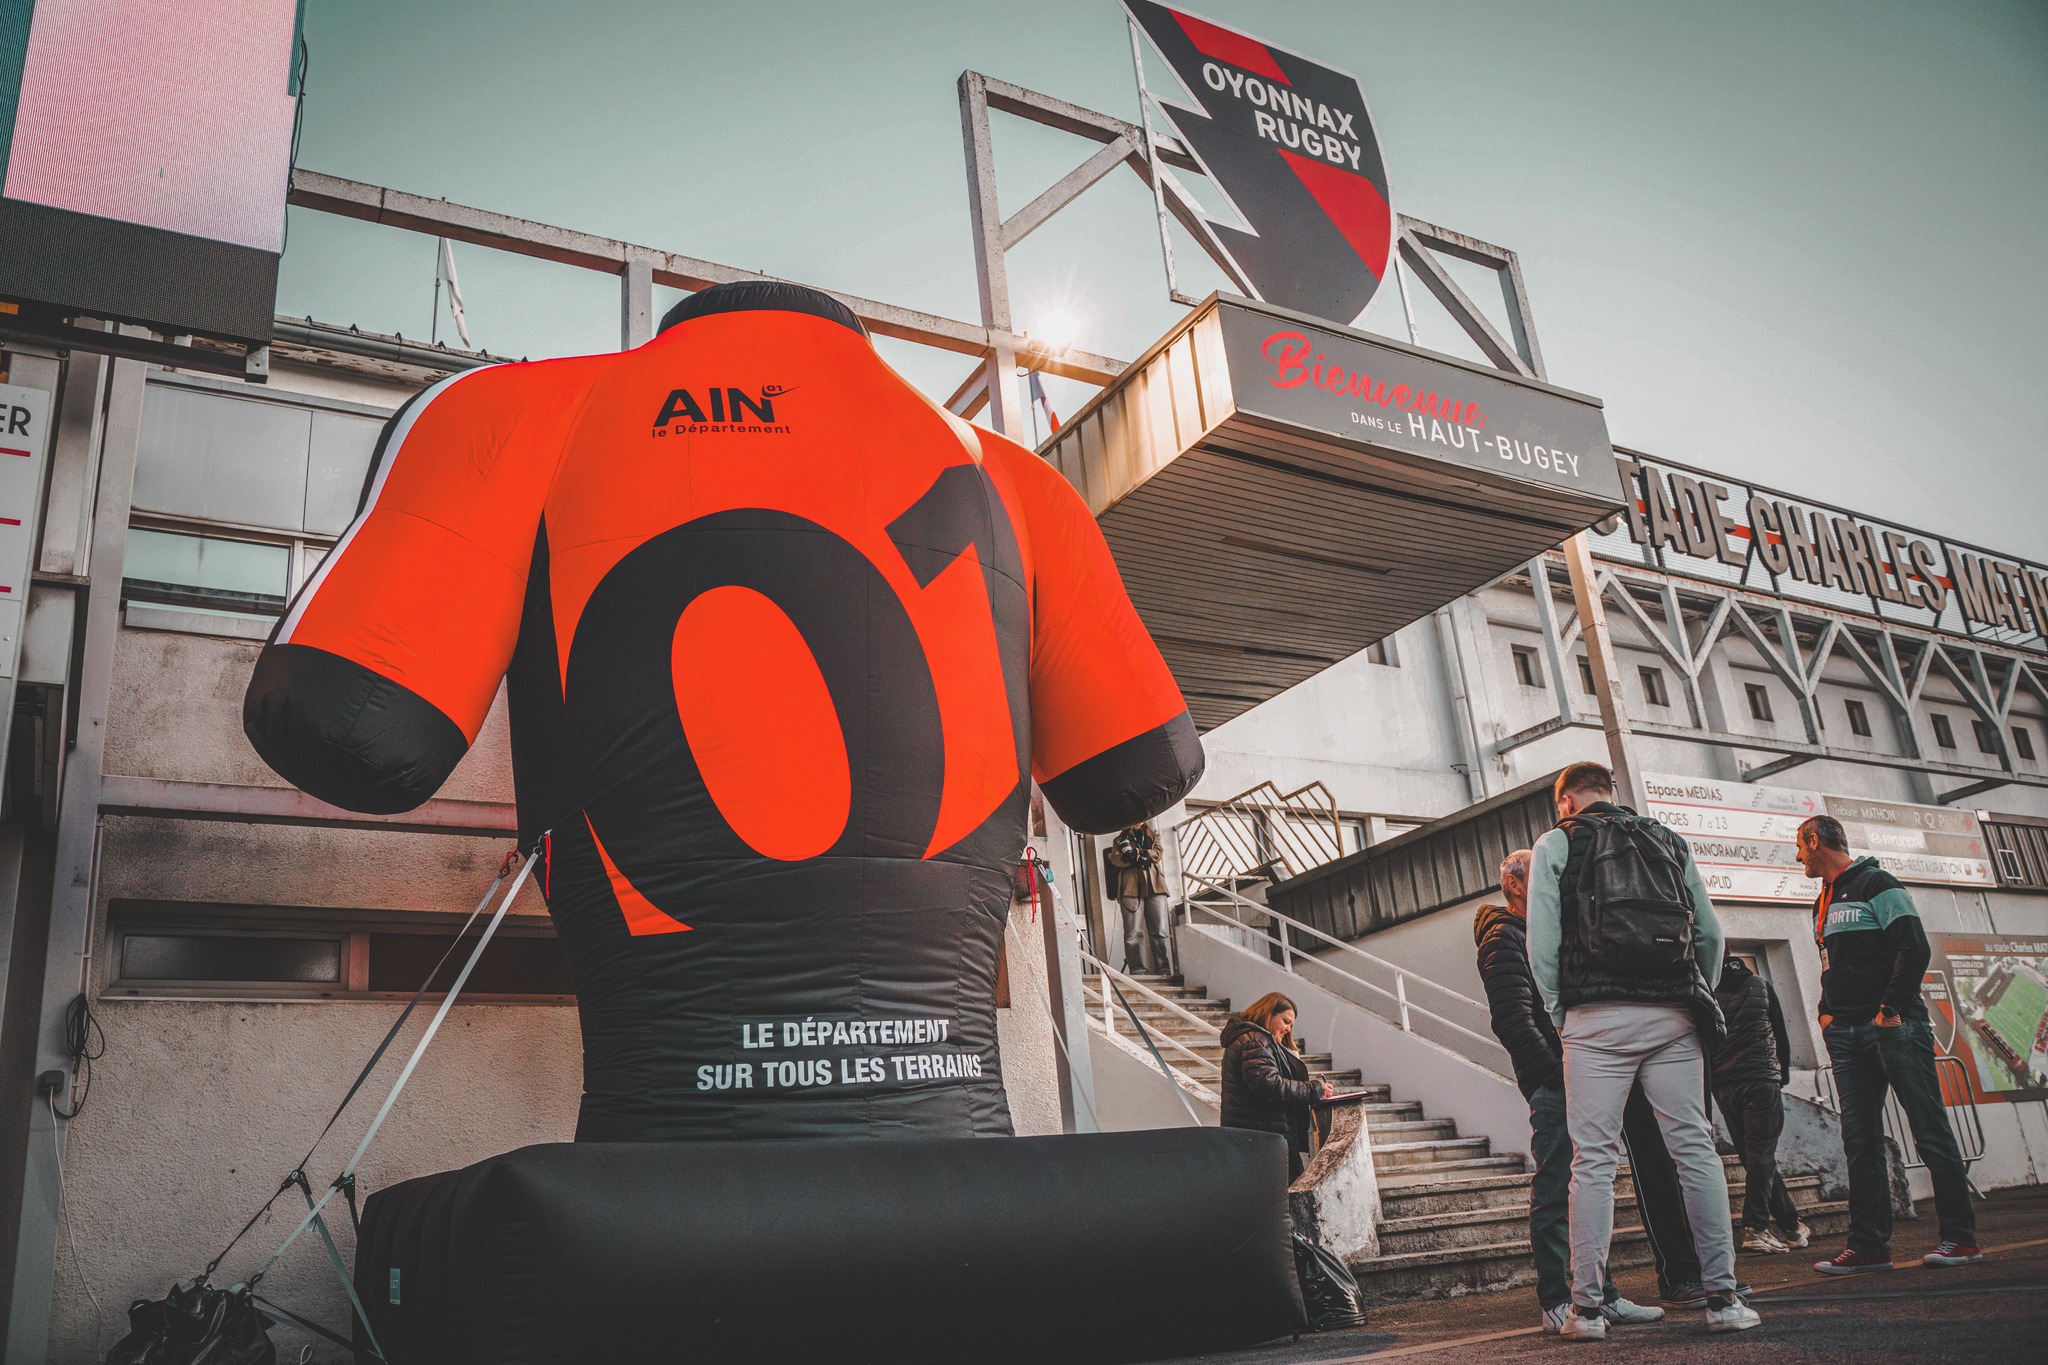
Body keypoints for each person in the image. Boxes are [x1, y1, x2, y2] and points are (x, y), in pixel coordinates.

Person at [1529, 762, 1758, 1338]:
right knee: (1695, 1151)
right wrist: (1693, 993)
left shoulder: (1557, 842)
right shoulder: (1667, 840)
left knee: (1594, 1162)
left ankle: (1585, 1312)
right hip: (1673, 1015)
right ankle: (1723, 1300)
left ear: (1567, 801)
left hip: (1595, 1018)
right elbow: (1709, 934)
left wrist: (1562, 1011)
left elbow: (1543, 942)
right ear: (1611, 793)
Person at [1474, 850, 1663, 1334]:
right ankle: (1559, 1300)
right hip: (1557, 1082)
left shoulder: (1544, 933)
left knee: (1588, 1189)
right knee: (1558, 1188)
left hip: (1583, 1075)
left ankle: (1598, 1295)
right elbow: (1513, 1019)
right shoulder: (1504, 937)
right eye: (1544, 876)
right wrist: (1553, 1075)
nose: (1555, 884)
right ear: (1515, 885)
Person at [1796, 815, 1980, 1274]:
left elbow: (1914, 947)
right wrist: (1825, 1011)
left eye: (1799, 846)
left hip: (1894, 1028)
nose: (1798, 856)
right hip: (1845, 1033)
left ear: (1816, 840)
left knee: (1929, 1131)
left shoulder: (1879, 883)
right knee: (1859, 1141)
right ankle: (1869, 1247)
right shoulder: (1822, 899)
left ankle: (1961, 1239)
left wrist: (1890, 1009)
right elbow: (1832, 963)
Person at [1711, 954, 1811, 1254]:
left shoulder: (1709, 991)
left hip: (1724, 1084)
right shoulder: (1760, 985)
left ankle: (1791, 1225)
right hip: (1760, 1078)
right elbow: (1780, 1033)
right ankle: (1755, 1226)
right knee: (1761, 1154)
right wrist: (1782, 1077)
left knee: (1754, 1155)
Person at [1220, 992, 1331, 1181]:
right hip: (1263, 1141)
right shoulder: (1255, 1041)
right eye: (1286, 1021)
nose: (1288, 1028)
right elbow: (1268, 1085)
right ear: (1268, 1014)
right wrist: (1314, 1089)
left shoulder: (1253, 1039)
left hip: (1257, 1139)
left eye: (1291, 1024)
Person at [1110, 822, 1173, 975]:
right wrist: (1136, 857)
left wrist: (1138, 852)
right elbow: (1116, 860)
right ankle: (1137, 968)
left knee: (1158, 930)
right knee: (1133, 931)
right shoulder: (1120, 839)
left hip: (1155, 884)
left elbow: (1157, 854)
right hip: (1130, 886)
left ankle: (1163, 967)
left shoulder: (1153, 835)